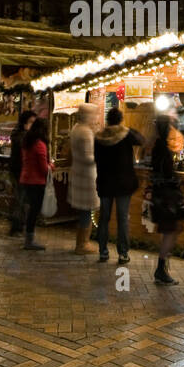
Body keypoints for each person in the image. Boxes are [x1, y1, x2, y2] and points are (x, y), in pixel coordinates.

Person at [94, 106, 145, 264]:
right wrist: (127, 128)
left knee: (104, 218)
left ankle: (103, 252)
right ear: (120, 119)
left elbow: (96, 158)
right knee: (123, 218)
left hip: (105, 182)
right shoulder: (126, 134)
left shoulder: (99, 137)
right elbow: (141, 140)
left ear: (108, 120)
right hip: (123, 183)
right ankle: (123, 253)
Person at [150, 114, 184, 285]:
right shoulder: (162, 149)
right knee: (171, 231)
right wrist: (177, 179)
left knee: (170, 231)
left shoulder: (156, 146)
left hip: (161, 196)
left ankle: (162, 267)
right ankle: (161, 268)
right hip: (167, 198)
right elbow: (166, 174)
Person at [68, 102, 100, 254]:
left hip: (78, 173)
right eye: (94, 114)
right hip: (86, 176)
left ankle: (81, 243)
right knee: (86, 210)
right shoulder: (86, 132)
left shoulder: (75, 128)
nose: (95, 118)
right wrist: (100, 158)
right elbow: (88, 157)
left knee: (84, 210)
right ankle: (82, 245)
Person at [19, 117, 53, 251]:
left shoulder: (28, 142)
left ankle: (28, 237)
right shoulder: (40, 145)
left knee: (30, 210)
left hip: (26, 179)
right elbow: (43, 168)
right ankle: (29, 240)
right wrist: (51, 166)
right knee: (34, 211)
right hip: (36, 182)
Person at [7, 108, 36, 235]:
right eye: (31, 122)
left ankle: (19, 224)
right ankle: (16, 226)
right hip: (19, 170)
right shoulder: (21, 136)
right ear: (24, 123)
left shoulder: (20, 134)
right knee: (21, 199)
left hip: (21, 170)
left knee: (23, 199)